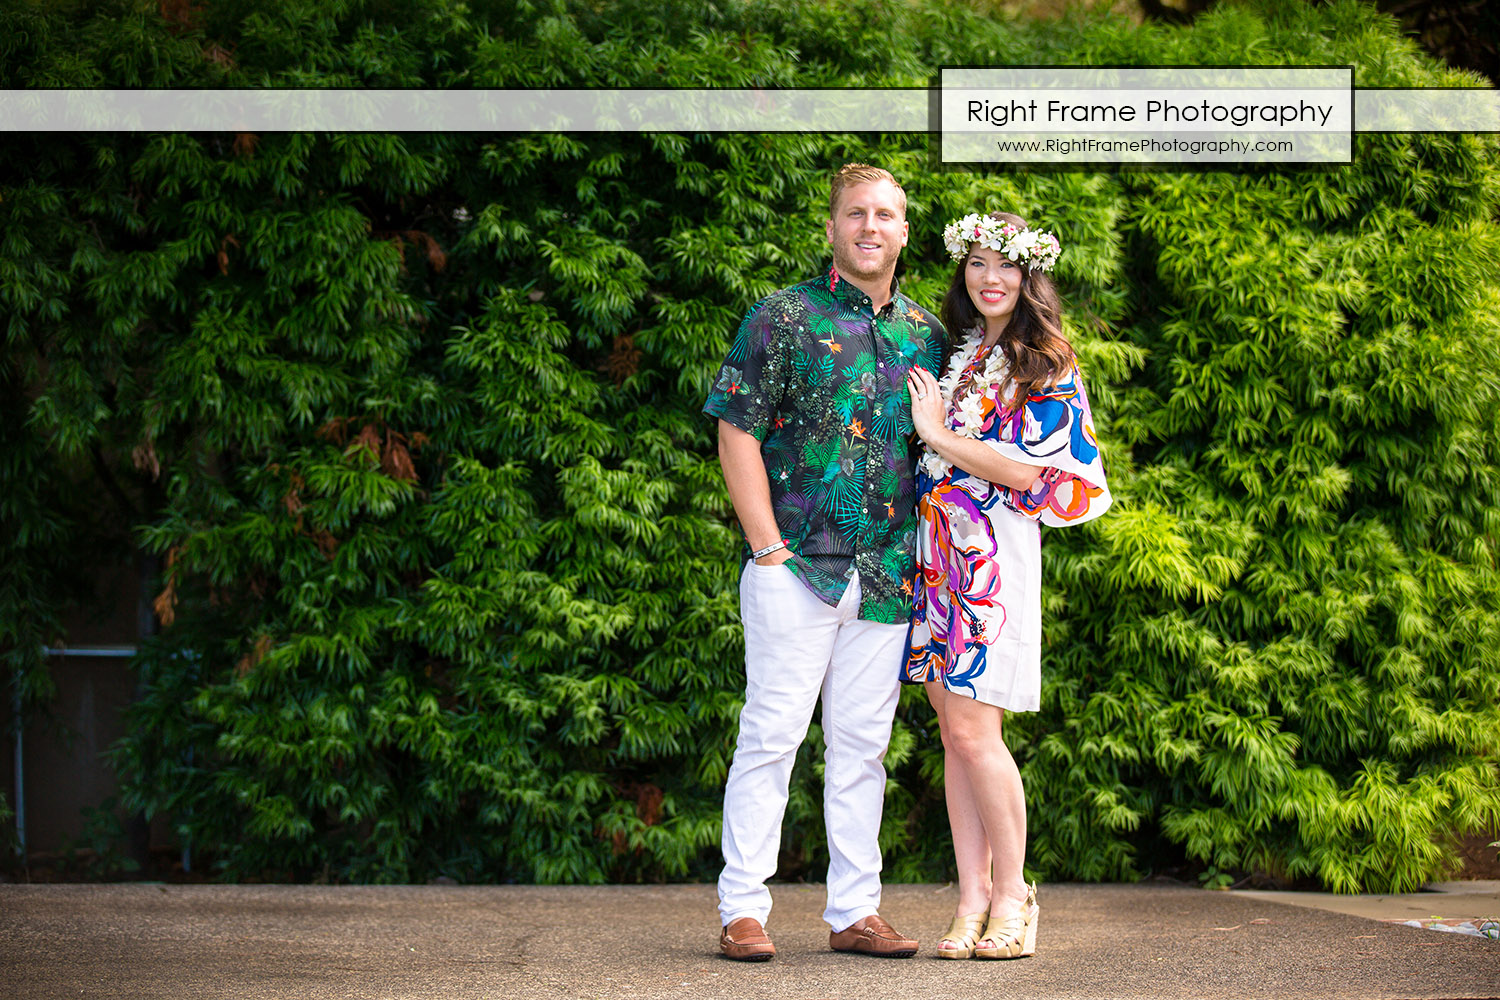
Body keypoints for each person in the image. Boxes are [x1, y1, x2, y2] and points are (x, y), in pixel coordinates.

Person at [702, 163, 945, 961]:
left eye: (886, 215)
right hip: (796, 568)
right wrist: (765, 547)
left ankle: (855, 913)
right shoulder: (782, 317)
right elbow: (736, 428)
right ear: (834, 228)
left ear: (904, 231)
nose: (871, 227)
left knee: (862, 749)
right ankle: (743, 910)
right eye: (856, 214)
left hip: (885, 578)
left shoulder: (926, 336)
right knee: (770, 737)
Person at [903, 211, 1111, 960]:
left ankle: (1015, 897)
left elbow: (1030, 472)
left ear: (1029, 276)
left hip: (992, 559)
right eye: (977, 264)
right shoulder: (959, 355)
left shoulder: (1044, 360)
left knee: (977, 733)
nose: (990, 279)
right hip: (937, 555)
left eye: (1006, 266)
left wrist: (938, 436)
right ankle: (970, 900)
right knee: (955, 739)